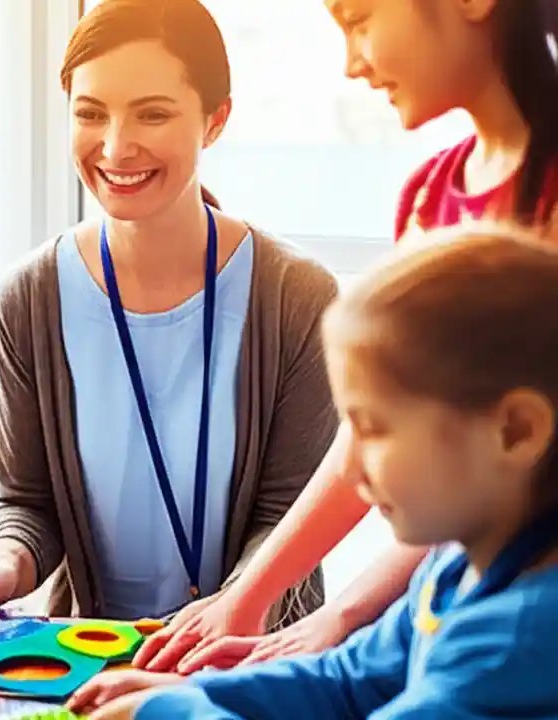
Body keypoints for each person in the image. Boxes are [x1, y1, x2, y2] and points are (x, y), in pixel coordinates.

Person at [134, 0, 558, 674]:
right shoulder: (428, 197)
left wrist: (344, 617)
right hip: (450, 613)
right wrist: (254, 597)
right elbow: (374, 434)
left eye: (359, 20)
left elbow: (494, 476)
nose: (352, 64)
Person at [0, 0, 338, 626]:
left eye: (152, 114)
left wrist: (228, 612)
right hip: (84, 660)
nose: (116, 146)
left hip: (246, 662)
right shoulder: (27, 301)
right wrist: (4, 564)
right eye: (90, 113)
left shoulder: (297, 300)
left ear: (215, 121)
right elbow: (28, 504)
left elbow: (290, 518)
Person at [71, 228, 558, 719]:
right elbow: (349, 681)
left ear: (516, 431)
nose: (347, 466)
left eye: (373, 428)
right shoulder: (456, 566)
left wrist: (167, 716)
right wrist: (177, 698)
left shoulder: (522, 636)